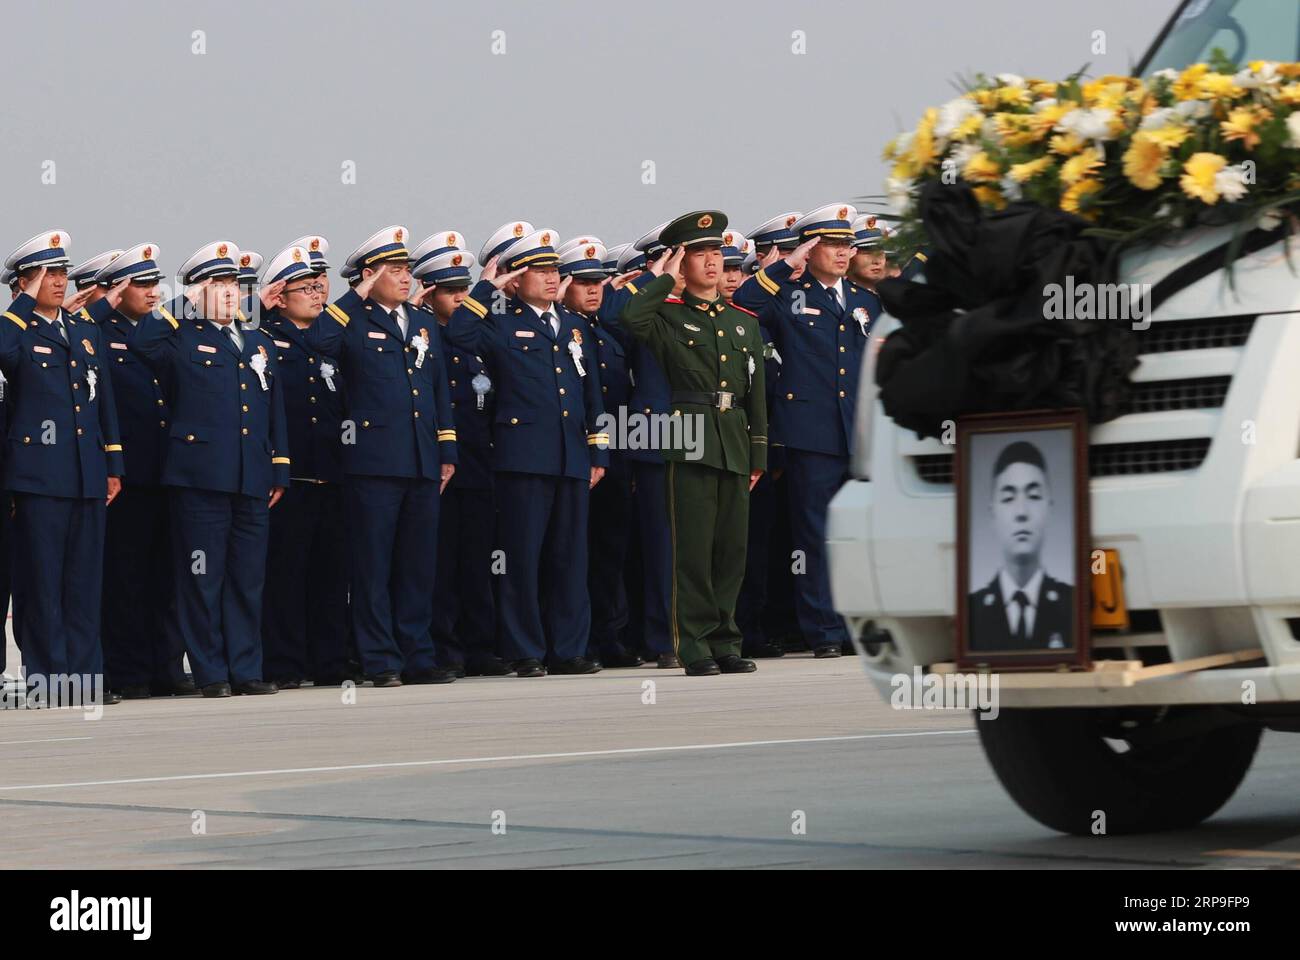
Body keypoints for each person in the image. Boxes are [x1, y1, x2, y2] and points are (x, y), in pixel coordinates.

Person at [128, 240, 287, 698]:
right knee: (202, 578)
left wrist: (278, 466)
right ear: (198, 292)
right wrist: (184, 302)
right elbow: (141, 341)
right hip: (200, 477)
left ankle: (246, 669)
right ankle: (211, 672)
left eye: (234, 285)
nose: (230, 293)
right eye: (217, 285)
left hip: (251, 476)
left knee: (247, 578)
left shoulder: (258, 341)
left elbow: (273, 409)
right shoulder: (181, 338)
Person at [448, 228, 608, 678]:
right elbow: (460, 334)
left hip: (572, 456)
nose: (551, 278)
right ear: (516, 279)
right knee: (521, 558)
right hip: (522, 457)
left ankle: (569, 648)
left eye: (554, 269)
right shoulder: (498, 320)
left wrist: (600, 451)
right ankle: (525, 650)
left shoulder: (575, 326)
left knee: (570, 557)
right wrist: (487, 285)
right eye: (537, 271)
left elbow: (591, 391)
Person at [306, 226, 459, 687]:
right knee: (373, 565)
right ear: (371, 276)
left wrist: (447, 446)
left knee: (416, 564)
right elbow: (318, 344)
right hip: (372, 461)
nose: (406, 277)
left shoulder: (424, 322)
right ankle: (380, 659)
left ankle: (417, 654)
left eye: (407, 269)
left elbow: (438, 389)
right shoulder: (352, 318)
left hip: (420, 457)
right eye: (394, 270)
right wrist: (355, 296)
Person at [619, 211, 767, 677]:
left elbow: (756, 396)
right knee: (693, 551)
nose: (710, 262)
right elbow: (629, 317)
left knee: (730, 551)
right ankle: (695, 646)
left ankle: (726, 640)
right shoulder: (665, 316)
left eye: (715, 253)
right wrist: (664, 277)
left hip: (734, 443)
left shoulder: (743, 323)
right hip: (688, 439)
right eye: (697, 254)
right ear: (682, 262)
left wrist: (758, 455)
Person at [735, 203, 876, 659]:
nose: (842, 252)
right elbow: (742, 305)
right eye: (830, 244)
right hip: (810, 434)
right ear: (809, 249)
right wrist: (785, 265)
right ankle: (824, 630)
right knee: (814, 536)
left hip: (856, 434)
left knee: (855, 535)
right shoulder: (787, 293)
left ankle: (857, 624)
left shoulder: (863, 301)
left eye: (846, 244)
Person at [2, 230, 124, 705]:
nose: (58, 280)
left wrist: (113, 462)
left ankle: (84, 677)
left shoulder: (82, 331)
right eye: (46, 274)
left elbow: (104, 403)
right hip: (39, 475)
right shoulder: (17, 329)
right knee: (43, 582)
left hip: (86, 473)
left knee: (82, 582)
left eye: (60, 272)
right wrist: (22, 304)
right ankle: (49, 680)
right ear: (24, 282)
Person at [95, 243, 192, 698]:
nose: (154, 292)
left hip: (166, 470)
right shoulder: (98, 330)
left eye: (157, 283)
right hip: (126, 475)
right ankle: (129, 672)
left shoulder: (165, 331)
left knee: (166, 577)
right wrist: (99, 307)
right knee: (126, 579)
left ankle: (166, 669)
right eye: (143, 284)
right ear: (118, 289)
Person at [410, 243, 511, 678]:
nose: (459, 298)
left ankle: (479, 646)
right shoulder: (428, 334)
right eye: (450, 292)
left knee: (479, 560)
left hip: (477, 459)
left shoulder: (479, 331)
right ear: (429, 294)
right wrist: (485, 291)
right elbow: (458, 334)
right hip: (437, 464)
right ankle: (444, 647)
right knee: (441, 562)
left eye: (464, 290)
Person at [256, 243, 354, 688]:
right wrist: (255, 307)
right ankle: (285, 663)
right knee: (286, 577)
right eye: (306, 288)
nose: (318, 294)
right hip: (288, 478)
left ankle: (330, 662)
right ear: (280, 295)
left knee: (332, 574)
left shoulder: (330, 341)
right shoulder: (264, 336)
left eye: (321, 286)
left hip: (330, 472)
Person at [559, 236, 642, 669]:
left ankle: (610, 635)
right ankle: (581, 638)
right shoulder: (560, 331)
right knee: (575, 551)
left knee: (611, 549)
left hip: (613, 455)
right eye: (583, 282)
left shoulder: (609, 335)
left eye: (600, 282)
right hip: (573, 456)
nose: (594, 289)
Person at [599, 222, 679, 668]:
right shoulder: (644, 309)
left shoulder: (705, 306)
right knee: (659, 546)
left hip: (703, 434)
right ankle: (662, 637)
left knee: (704, 545)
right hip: (654, 435)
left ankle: (706, 631)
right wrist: (655, 278)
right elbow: (612, 317)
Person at [968, 440, 1075, 651]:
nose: (1021, 512)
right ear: (992, 513)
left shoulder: (1074, 605)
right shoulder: (971, 609)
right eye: (1008, 498)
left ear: (1049, 509)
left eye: (1034, 496)